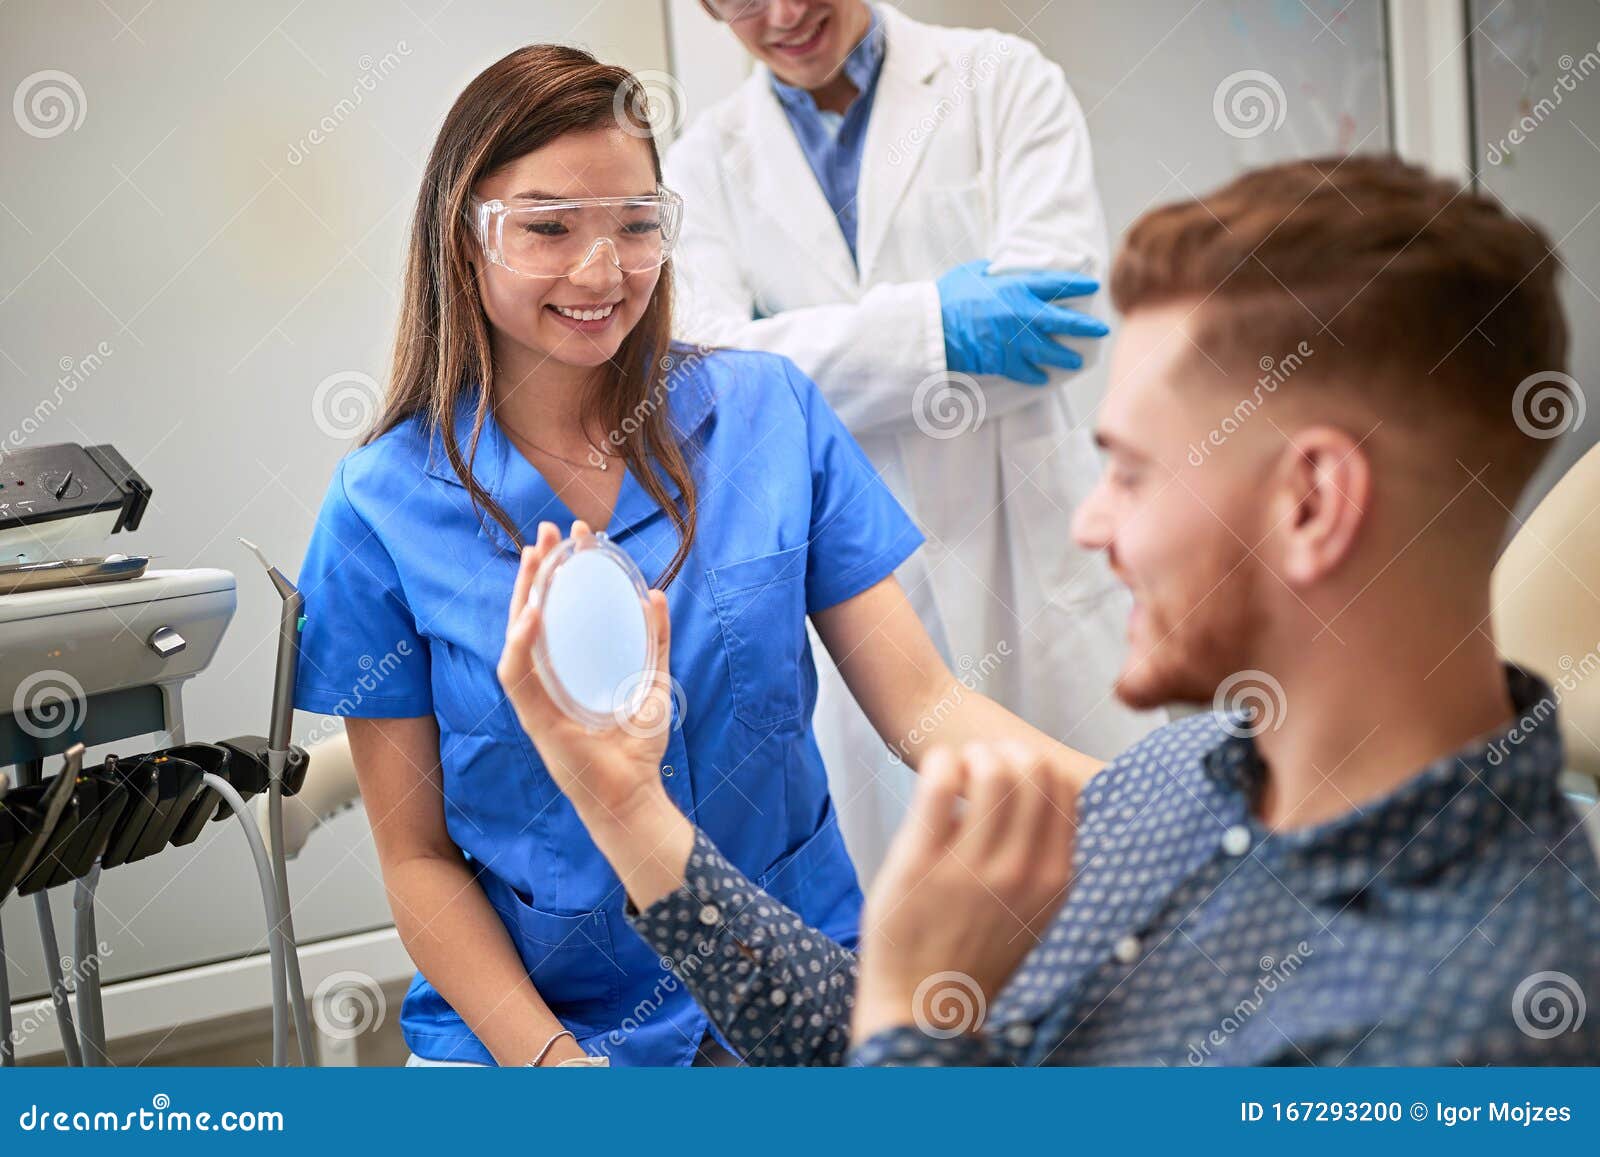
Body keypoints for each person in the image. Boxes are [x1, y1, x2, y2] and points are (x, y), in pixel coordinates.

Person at [499, 154, 1600, 1065]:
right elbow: (867, 1032)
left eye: (1128, 470)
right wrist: (628, 809)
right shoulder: (1192, 775)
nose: (1089, 524)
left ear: (1311, 502)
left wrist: (908, 1037)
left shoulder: (1474, 1017)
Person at [292, 45, 1102, 1068]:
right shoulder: (382, 506)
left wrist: (1168, 801)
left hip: (796, 983)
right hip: (538, 1023)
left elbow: (928, 711)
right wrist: (551, 1064)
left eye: (636, 225)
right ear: (464, 238)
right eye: (547, 228)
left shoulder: (767, 414)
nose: (602, 272)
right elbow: (415, 859)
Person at [667, 0, 1162, 877]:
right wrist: (936, 325)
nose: (783, 15)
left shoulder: (1002, 81)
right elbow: (711, 383)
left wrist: (798, 343)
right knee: (942, 959)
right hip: (865, 613)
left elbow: (1061, 318)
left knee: (1129, 900)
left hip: (1034, 571)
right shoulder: (701, 168)